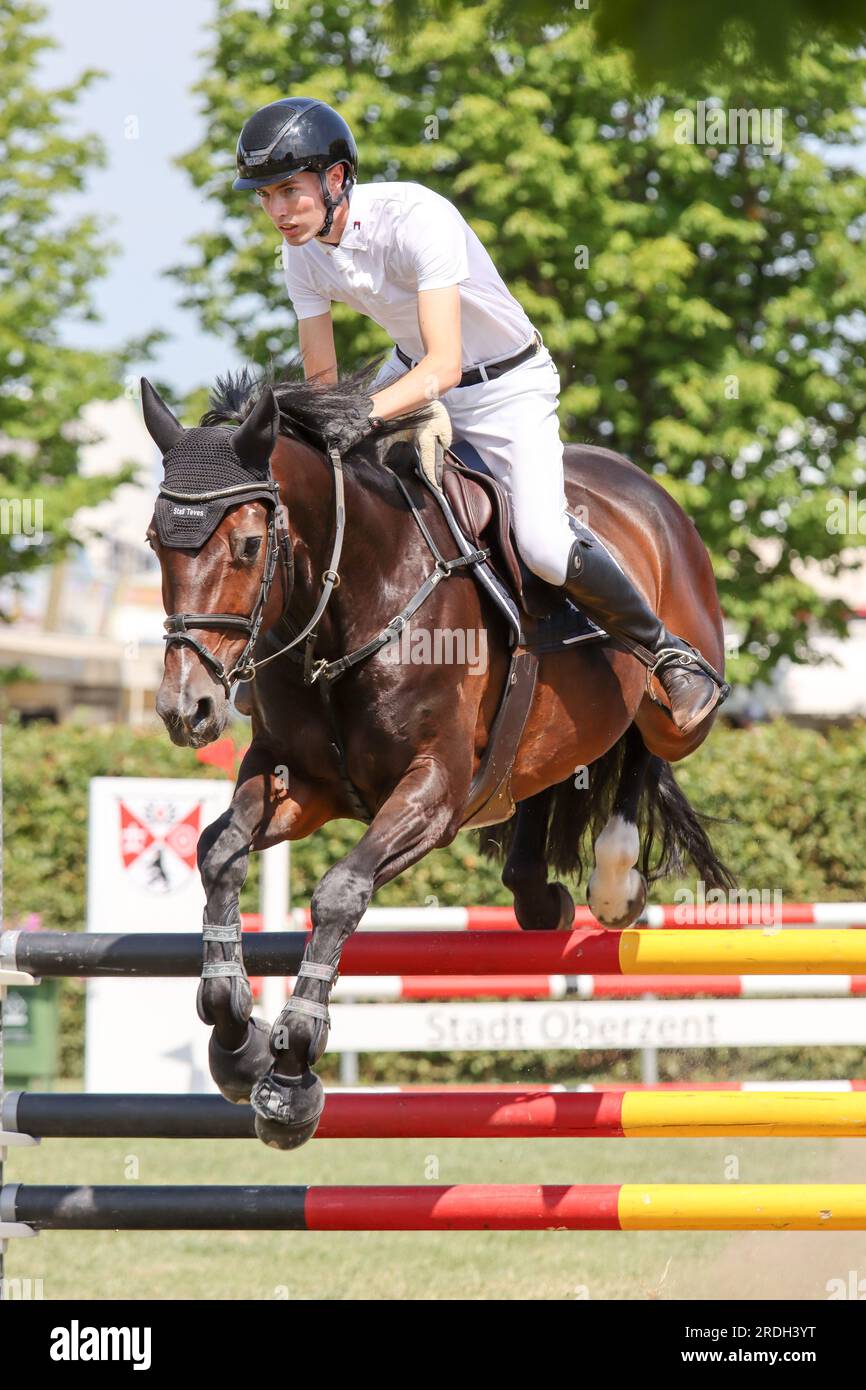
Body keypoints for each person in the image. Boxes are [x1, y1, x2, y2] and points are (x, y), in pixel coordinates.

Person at [233, 96, 727, 733]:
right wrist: (322, 430)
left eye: (289, 191)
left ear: (335, 180)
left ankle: (667, 652)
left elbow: (446, 367)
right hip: (410, 372)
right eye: (265, 196)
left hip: (505, 385)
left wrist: (363, 415)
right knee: (317, 475)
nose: (277, 211)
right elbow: (323, 386)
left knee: (545, 544)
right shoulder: (300, 255)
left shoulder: (418, 218)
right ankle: (277, 649)